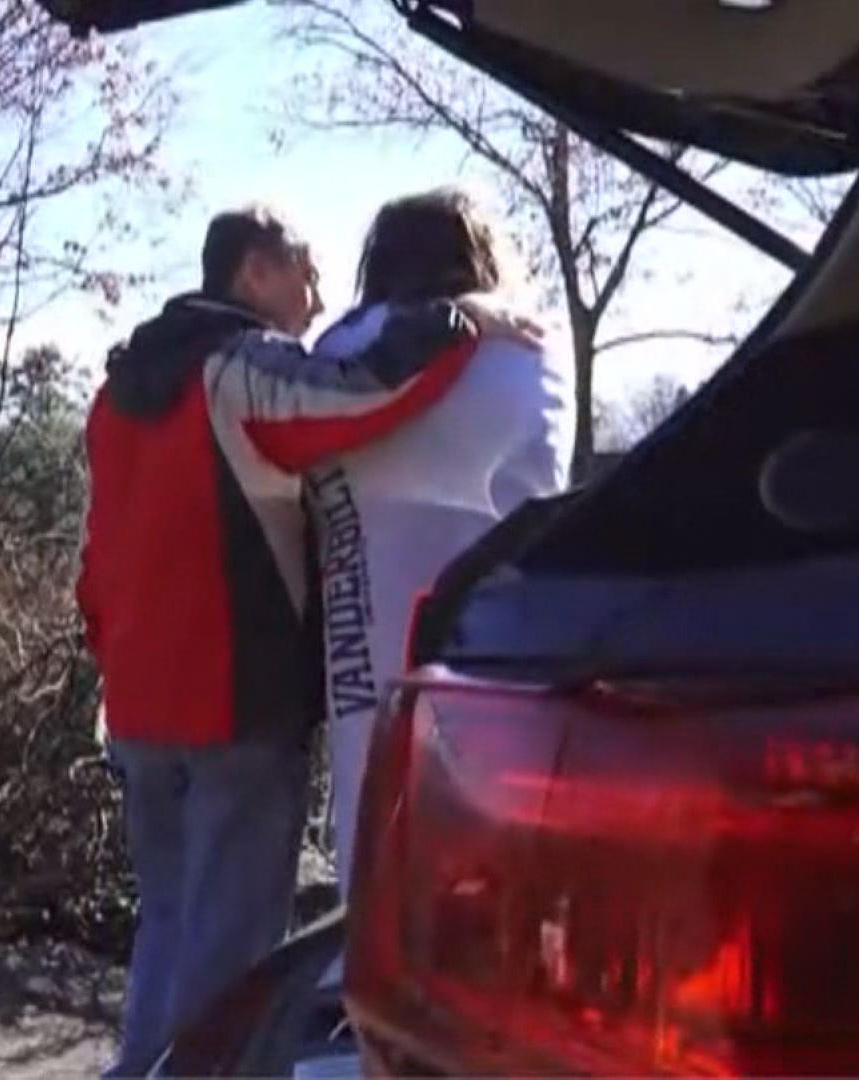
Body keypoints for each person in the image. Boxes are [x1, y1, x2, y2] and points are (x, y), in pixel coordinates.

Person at [77, 205, 527, 1077]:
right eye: (304, 270)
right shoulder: (234, 373)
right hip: (233, 707)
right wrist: (458, 318)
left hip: (137, 710)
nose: (320, 294)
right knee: (236, 959)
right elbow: (362, 395)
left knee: (167, 924)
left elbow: (96, 559)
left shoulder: (117, 394)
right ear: (254, 273)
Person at [310, 189, 576, 892]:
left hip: (359, 633)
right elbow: (545, 489)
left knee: (366, 821)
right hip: (497, 634)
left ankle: (359, 981)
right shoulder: (529, 346)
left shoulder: (336, 351)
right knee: (488, 839)